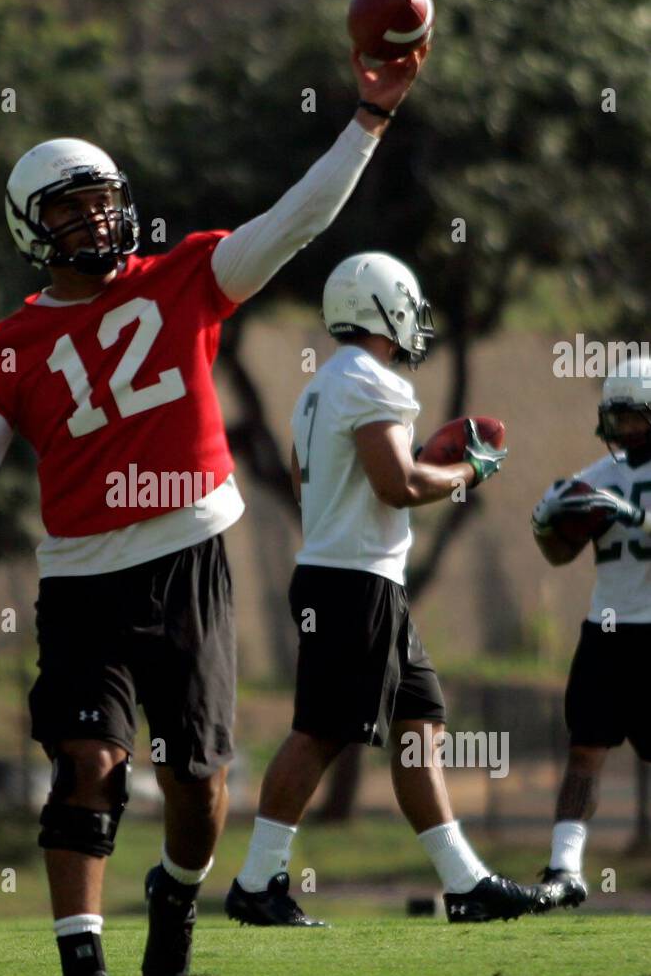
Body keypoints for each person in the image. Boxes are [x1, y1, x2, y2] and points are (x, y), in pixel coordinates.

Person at [0, 49, 426, 976]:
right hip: (80, 578)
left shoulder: (188, 276)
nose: (94, 220)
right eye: (68, 208)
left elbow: (298, 218)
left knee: (197, 785)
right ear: (33, 228)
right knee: (88, 766)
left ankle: (176, 893)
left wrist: (369, 114)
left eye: (102, 200)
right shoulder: (4, 348)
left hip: (189, 558)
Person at [228, 252, 556, 926]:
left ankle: (464, 883)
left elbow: (303, 479)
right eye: (407, 306)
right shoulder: (371, 383)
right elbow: (397, 484)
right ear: (385, 308)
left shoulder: (321, 386)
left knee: (419, 726)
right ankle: (258, 881)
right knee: (320, 732)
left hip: (358, 576)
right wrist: (470, 472)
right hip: (354, 582)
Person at [531, 357, 651, 907]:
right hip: (607, 632)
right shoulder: (597, 477)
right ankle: (564, 868)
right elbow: (559, 556)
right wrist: (545, 525)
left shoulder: (616, 489)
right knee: (585, 750)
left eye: (634, 417)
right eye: (616, 417)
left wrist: (632, 514)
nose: (623, 430)